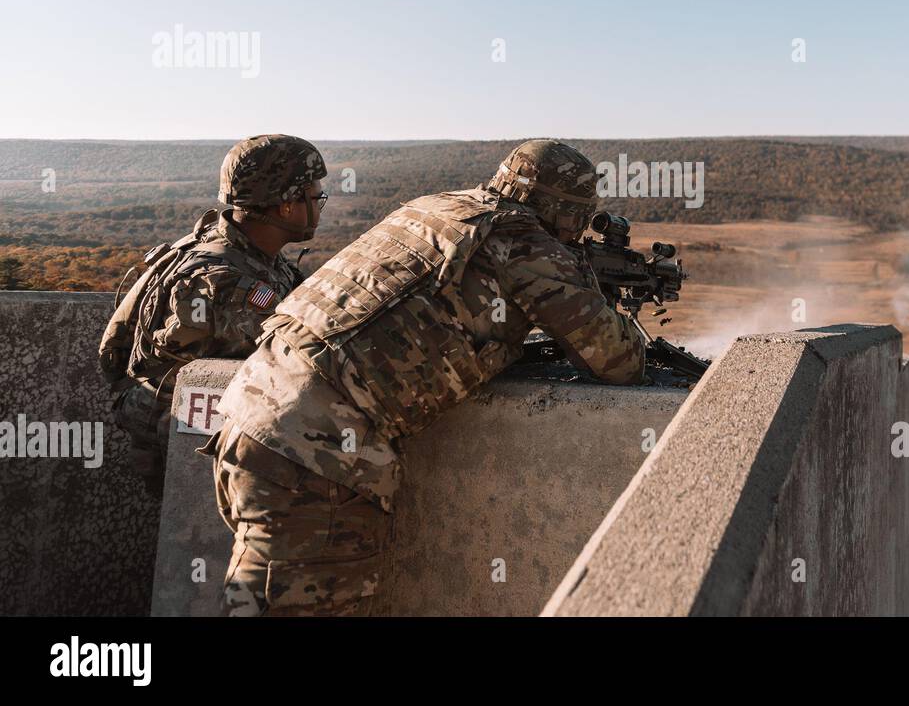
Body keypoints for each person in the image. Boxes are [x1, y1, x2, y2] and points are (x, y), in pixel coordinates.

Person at [207, 139, 645, 615]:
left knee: (254, 602)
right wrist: (590, 290)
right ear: (566, 211)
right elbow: (618, 362)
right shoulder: (523, 240)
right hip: (315, 453)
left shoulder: (437, 207)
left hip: (251, 414)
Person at [99, 134, 327, 496]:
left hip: (199, 419)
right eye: (317, 197)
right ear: (286, 205)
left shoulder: (248, 251)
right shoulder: (224, 284)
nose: (320, 206)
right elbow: (299, 357)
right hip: (179, 438)